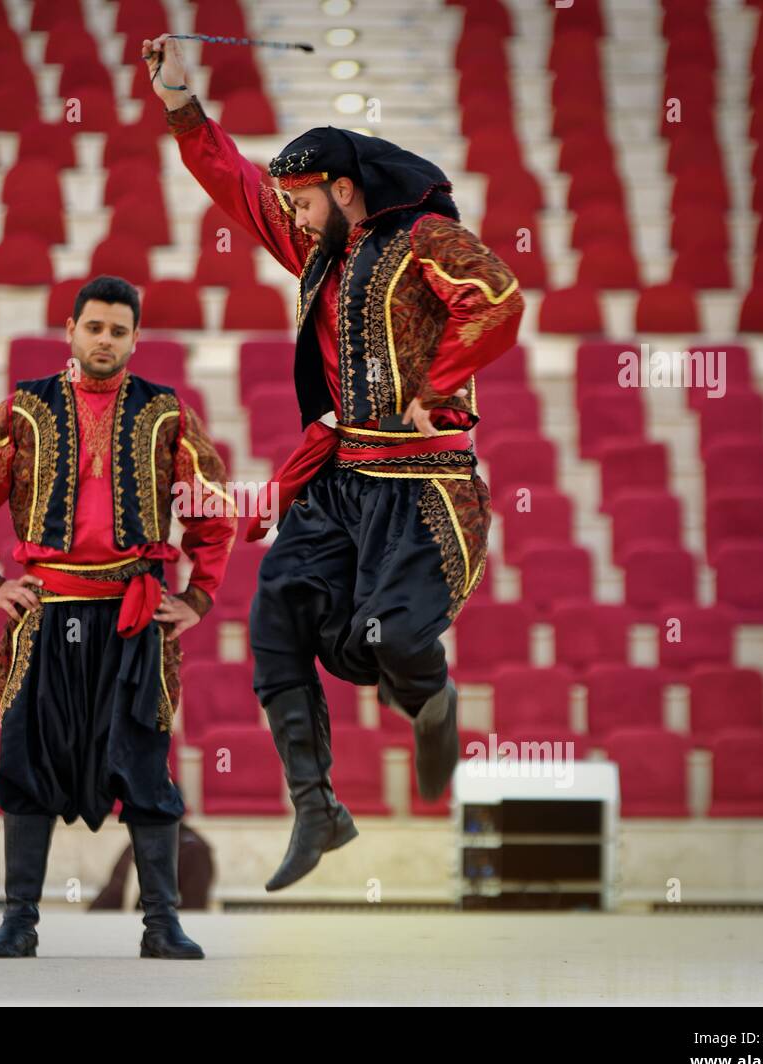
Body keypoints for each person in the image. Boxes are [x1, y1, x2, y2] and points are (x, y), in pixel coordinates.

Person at [145, 34, 524, 890]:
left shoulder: (426, 236)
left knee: (390, 636)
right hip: (343, 480)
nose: (295, 215)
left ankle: (429, 697)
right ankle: (316, 806)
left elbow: (498, 299)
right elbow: (238, 187)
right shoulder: (322, 247)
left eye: (305, 201)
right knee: (276, 611)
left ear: (343, 190)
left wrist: (440, 381)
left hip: (424, 487)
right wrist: (178, 101)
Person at [0, 275, 236, 958]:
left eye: (118, 331)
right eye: (94, 327)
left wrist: (198, 597)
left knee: (144, 767)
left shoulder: (166, 413)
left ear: (135, 339)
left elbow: (213, 509)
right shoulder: (23, 409)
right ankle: (19, 922)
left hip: (135, 620)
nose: (105, 340)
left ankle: (161, 925)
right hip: (44, 614)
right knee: (27, 760)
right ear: (71, 330)